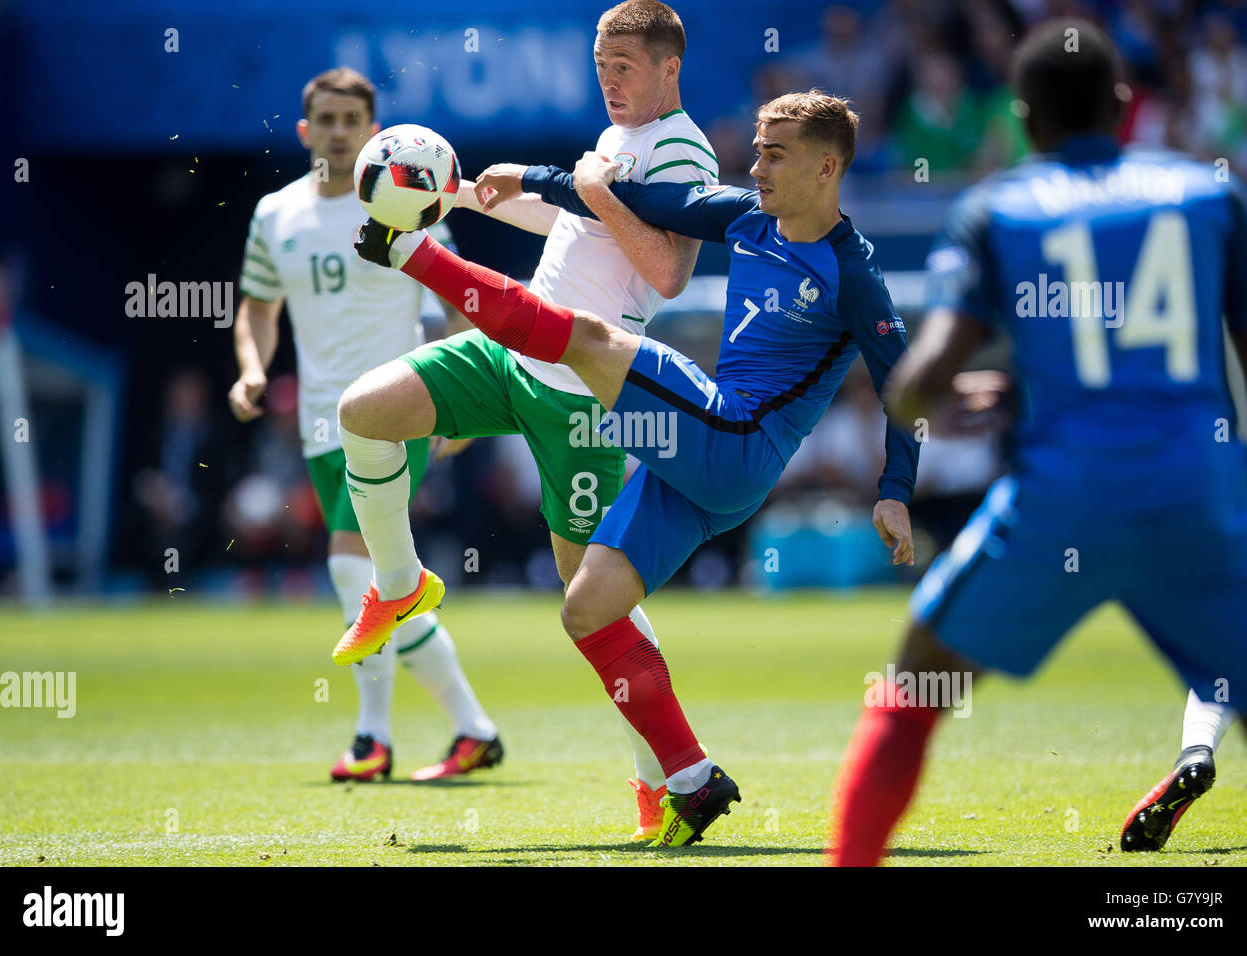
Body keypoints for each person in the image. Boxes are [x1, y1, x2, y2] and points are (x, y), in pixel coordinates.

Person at [349, 88, 919, 845]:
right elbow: (628, 198)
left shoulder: (854, 273)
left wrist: (896, 491)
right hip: (707, 462)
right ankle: (688, 780)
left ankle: (414, 255)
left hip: (733, 434)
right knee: (586, 609)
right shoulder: (746, 217)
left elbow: (904, 385)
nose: (756, 166)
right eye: (756, 149)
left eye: (774, 155)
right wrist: (524, 179)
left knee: (584, 336)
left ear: (827, 167)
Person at [828, 18, 1247, 866]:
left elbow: (923, 375)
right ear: (1121, 104)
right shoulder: (1208, 197)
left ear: (1023, 118)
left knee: (914, 689)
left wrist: (932, 390)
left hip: (1062, 504)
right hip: (1198, 502)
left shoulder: (999, 208)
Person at [331, 0, 720, 840]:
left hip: (580, 393)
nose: (609, 79)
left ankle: (663, 777)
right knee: (362, 414)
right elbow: (583, 219)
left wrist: (586, 190)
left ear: (668, 69)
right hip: (516, 352)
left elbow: (667, 270)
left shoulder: (683, 148)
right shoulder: (619, 142)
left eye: (624, 65)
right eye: (601, 63)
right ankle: (400, 588)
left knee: (595, 605)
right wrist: (470, 198)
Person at [230, 67, 502, 783]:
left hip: (398, 409)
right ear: (305, 130)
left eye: (353, 120)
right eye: (327, 120)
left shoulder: (405, 202)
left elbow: (454, 297)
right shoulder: (274, 214)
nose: (340, 132)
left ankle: (371, 740)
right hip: (321, 425)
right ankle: (474, 728)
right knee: (386, 580)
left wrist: (462, 400)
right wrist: (252, 369)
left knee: (355, 569)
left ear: (373, 131)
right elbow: (257, 307)